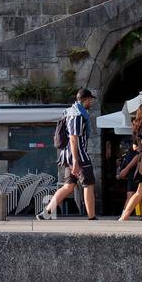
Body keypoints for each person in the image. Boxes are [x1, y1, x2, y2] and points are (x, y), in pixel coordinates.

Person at [38, 88, 97, 220]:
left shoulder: (70, 112)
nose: (91, 103)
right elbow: (73, 138)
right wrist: (76, 161)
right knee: (88, 184)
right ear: (86, 99)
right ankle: (92, 217)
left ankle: (47, 212)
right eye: (91, 100)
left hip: (68, 156)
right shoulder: (77, 115)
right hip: (78, 156)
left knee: (68, 186)